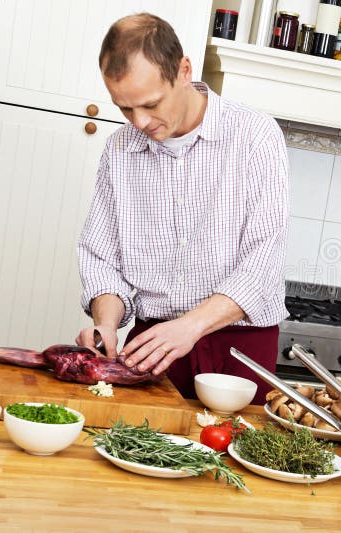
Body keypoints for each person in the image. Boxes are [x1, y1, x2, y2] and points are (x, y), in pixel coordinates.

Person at [75, 13, 288, 403]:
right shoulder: (120, 150)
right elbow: (101, 257)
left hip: (239, 348)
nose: (139, 122)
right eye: (124, 109)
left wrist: (189, 327)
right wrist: (105, 323)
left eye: (150, 104)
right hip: (153, 346)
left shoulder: (255, 136)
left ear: (184, 71)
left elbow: (264, 262)